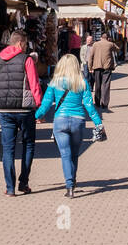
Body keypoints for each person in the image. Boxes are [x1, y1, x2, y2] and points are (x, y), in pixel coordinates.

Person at [34, 54, 103, 198]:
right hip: (78, 121)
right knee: (74, 154)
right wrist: (98, 123)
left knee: (65, 155)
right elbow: (89, 106)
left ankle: (69, 186)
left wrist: (34, 116)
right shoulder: (82, 82)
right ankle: (73, 180)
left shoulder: (54, 83)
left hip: (60, 121)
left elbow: (45, 105)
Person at [0, 30, 44, 196]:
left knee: (8, 149)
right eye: (25, 44)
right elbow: (34, 85)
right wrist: (39, 108)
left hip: (4, 110)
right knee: (29, 145)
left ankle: (10, 188)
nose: (25, 47)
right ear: (20, 43)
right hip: (25, 110)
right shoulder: (26, 60)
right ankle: (23, 183)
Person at [88, 31, 119, 111]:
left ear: (101, 37)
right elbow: (118, 49)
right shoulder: (110, 44)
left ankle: (97, 102)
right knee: (105, 85)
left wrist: (90, 67)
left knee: (97, 85)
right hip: (107, 67)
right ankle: (104, 104)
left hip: (97, 67)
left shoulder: (95, 44)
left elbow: (91, 56)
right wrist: (111, 42)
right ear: (108, 38)